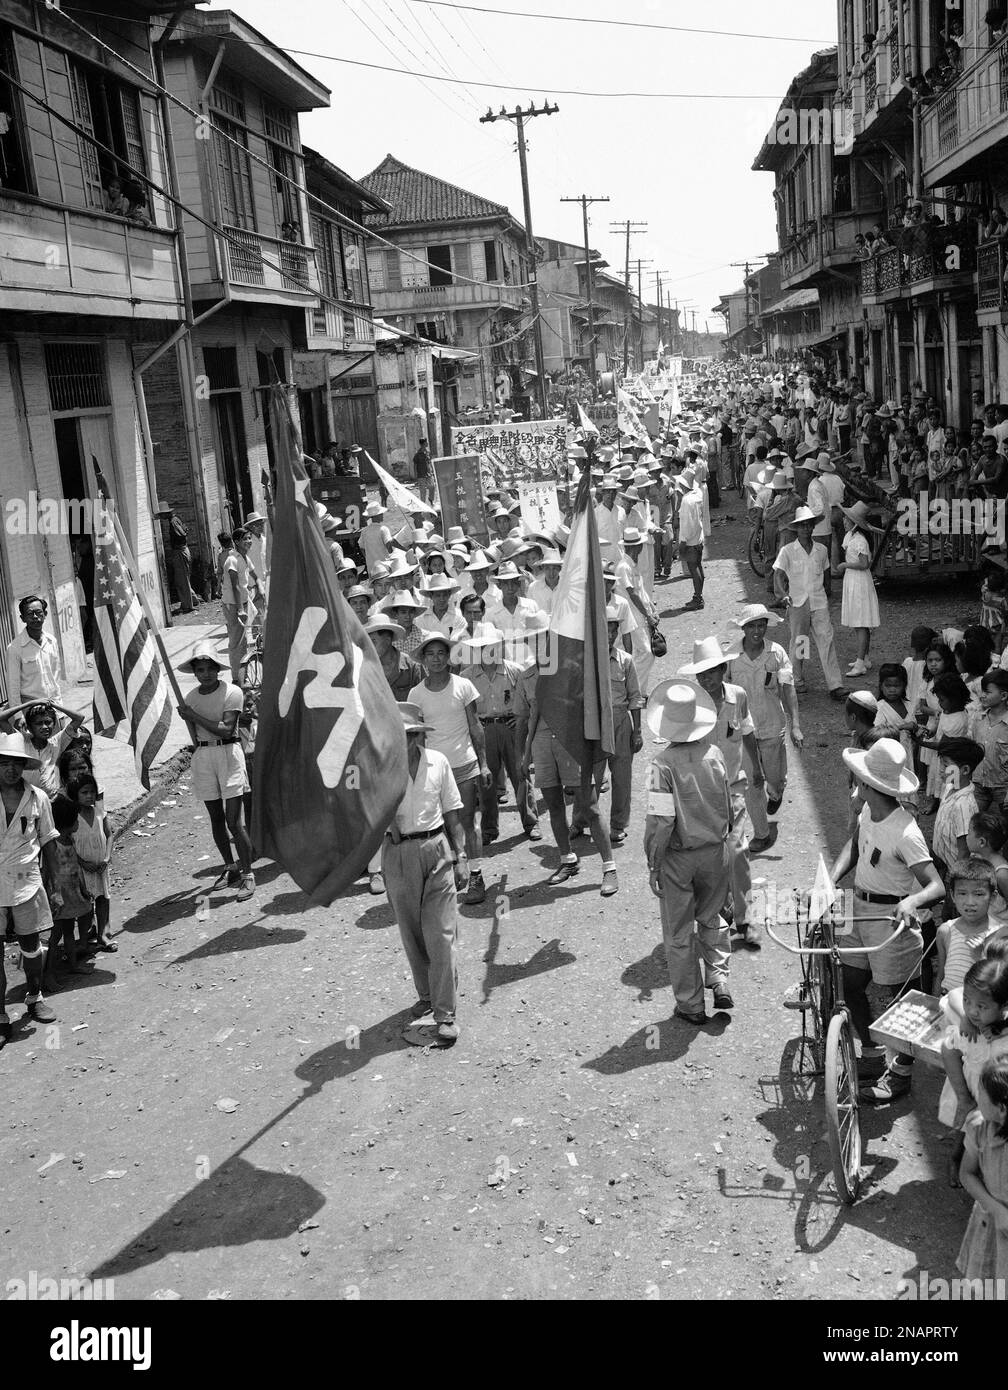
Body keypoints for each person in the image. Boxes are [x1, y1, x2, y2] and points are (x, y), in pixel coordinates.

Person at [831, 738, 945, 1104]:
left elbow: (936, 885)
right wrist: (831, 879)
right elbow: (854, 843)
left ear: (868, 785)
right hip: (860, 909)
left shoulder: (906, 831)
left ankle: (902, 1073)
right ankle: (872, 1054)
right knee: (850, 984)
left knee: (903, 1003)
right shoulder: (867, 812)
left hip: (891, 920)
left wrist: (912, 899)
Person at [644, 682, 733, 1025]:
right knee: (713, 917)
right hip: (715, 850)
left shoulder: (660, 765)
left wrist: (654, 861)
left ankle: (691, 1004)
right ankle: (719, 978)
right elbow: (727, 803)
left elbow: (662, 821)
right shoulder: (715, 755)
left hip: (679, 857)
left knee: (679, 933)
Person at [383, 701, 468, 1045]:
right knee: (411, 931)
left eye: (410, 734)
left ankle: (445, 1013)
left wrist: (461, 856)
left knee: (442, 935)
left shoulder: (439, 763)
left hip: (436, 849)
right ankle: (426, 995)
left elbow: (452, 813)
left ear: (419, 734)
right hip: (398, 852)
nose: (404, 740)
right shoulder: (380, 767)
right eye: (398, 734)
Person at [680, 637, 766, 946]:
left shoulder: (738, 696)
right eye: (701, 674)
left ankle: (745, 919)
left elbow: (746, 731)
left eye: (712, 671)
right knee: (708, 856)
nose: (707, 678)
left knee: (737, 851)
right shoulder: (689, 703)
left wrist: (758, 768)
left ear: (722, 669)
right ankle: (718, 909)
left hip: (733, 786)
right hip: (701, 793)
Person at [409, 634, 491, 906]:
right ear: (423, 659)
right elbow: (417, 736)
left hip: (464, 764)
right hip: (433, 769)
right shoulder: (416, 694)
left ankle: (477, 876)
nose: (435, 658)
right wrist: (417, 771)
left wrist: (484, 763)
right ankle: (453, 871)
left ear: (448, 657)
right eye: (430, 654)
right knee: (440, 825)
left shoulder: (463, 686)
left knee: (468, 821)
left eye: (440, 653)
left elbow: (475, 726)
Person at [175, 642, 255, 901]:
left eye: (210, 668)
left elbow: (226, 729)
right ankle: (230, 867)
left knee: (234, 820)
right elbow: (198, 736)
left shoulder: (232, 693)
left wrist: (192, 716)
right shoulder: (190, 698)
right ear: (195, 672)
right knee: (216, 818)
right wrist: (189, 716)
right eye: (200, 669)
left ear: (217, 670)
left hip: (229, 755)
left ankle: (247, 873)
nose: (205, 673)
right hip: (204, 756)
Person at [0, 732, 63, 1040]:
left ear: (23, 767)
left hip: (27, 879)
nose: (10, 770)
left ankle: (34, 997)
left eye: (16, 764)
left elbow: (49, 843)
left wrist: (56, 887)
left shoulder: (37, 797)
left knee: (32, 949)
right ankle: (0, 1014)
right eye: (4, 764)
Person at [727, 603, 803, 844]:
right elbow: (722, 691)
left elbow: (788, 689)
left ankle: (777, 790)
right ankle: (761, 833)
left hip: (772, 726)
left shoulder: (777, 653)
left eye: (761, 625)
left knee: (774, 776)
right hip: (743, 730)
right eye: (752, 626)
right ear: (743, 628)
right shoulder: (731, 656)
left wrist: (796, 726)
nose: (757, 631)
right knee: (752, 782)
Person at [462, 628, 540, 846]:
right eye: (483, 647)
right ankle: (489, 829)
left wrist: (520, 717)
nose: (488, 651)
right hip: (483, 728)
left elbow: (529, 700)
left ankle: (531, 822)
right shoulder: (467, 677)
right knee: (486, 780)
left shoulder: (515, 670)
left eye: (493, 647)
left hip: (510, 726)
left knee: (520, 774)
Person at [773, 504, 847, 701]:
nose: (806, 529)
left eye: (809, 525)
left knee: (827, 641)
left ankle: (835, 685)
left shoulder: (821, 550)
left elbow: (826, 575)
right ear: (796, 528)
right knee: (800, 642)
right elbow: (778, 575)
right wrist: (782, 594)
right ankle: (797, 679)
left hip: (819, 601)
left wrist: (828, 597)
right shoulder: (788, 551)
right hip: (798, 603)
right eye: (802, 525)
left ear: (813, 527)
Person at [956, 1057, 1008, 1280]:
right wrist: (998, 1210)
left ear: (1002, 1108)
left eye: (981, 1092)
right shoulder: (979, 1127)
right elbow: (966, 1174)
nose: (977, 1096)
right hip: (990, 1220)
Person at [604, 605, 645, 847]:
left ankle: (618, 824)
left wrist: (637, 731)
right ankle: (580, 820)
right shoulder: (588, 660)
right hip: (595, 722)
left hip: (621, 721)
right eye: (605, 630)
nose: (610, 635)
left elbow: (635, 697)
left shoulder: (625, 660)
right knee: (589, 777)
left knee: (621, 777)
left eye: (613, 630)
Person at [46, 794, 94, 978]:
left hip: (72, 892)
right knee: (54, 936)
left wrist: (82, 888)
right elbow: (47, 872)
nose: (78, 822)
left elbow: (75, 867)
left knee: (68, 932)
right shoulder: (52, 844)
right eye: (75, 819)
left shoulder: (69, 840)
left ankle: (73, 965)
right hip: (59, 896)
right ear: (68, 822)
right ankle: (47, 974)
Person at [67, 771, 114, 953]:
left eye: (92, 792)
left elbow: (109, 835)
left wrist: (107, 858)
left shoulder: (100, 812)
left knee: (103, 899)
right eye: (84, 793)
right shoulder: (72, 817)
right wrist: (81, 863)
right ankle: (84, 941)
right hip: (82, 869)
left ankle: (103, 935)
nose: (89, 796)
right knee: (86, 905)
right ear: (75, 795)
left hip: (101, 866)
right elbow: (68, 844)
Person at [837, 501, 881, 677]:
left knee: (861, 623)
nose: (843, 521)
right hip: (853, 580)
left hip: (859, 581)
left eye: (846, 519)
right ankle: (865, 658)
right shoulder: (850, 537)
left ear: (854, 522)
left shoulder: (860, 541)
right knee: (859, 622)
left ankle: (861, 662)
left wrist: (844, 565)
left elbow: (864, 564)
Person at [12, 701, 86, 800]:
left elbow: (79, 718)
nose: (45, 727)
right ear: (29, 727)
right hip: (27, 800)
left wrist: (53, 704)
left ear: (54, 724)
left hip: (52, 800)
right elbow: (2, 718)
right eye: (39, 723)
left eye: (48, 722)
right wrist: (30, 704)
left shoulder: (56, 742)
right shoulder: (22, 740)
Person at [5, 597, 62, 712]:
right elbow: (13, 686)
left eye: (39, 613)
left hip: (53, 706)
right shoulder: (15, 648)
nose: (35, 617)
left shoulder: (51, 641)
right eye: (30, 614)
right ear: (23, 618)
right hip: (30, 709)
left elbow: (55, 677)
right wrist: (18, 715)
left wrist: (60, 707)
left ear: (45, 614)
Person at [220, 527, 254, 683]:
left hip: (243, 602)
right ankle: (236, 678)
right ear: (237, 542)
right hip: (234, 604)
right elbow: (235, 586)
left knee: (244, 641)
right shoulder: (232, 559)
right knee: (236, 642)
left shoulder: (244, 557)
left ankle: (243, 675)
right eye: (245, 539)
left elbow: (252, 575)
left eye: (249, 538)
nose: (249, 541)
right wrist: (240, 609)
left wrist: (260, 587)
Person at [674, 468, 706, 610]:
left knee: (694, 569)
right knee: (698, 567)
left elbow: (686, 524)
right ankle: (698, 597)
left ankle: (698, 598)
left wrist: (682, 543)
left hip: (690, 540)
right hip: (698, 537)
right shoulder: (697, 495)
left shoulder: (687, 500)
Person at [159, 505, 198, 613]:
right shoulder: (175, 519)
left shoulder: (173, 522)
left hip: (180, 551)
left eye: (162, 514)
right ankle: (192, 600)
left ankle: (187, 606)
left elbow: (181, 534)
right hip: (182, 550)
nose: (161, 516)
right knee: (183, 578)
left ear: (166, 513)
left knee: (182, 580)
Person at [360, 502, 393, 577]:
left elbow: (361, 547)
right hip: (384, 565)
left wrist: (368, 557)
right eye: (381, 514)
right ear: (378, 515)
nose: (382, 515)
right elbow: (389, 545)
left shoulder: (365, 531)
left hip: (371, 567)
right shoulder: (383, 529)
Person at [412, 437, 434, 505]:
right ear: (424, 443)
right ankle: (423, 506)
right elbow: (415, 465)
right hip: (421, 475)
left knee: (432, 487)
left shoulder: (428, 453)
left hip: (429, 474)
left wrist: (432, 471)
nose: (427, 443)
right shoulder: (417, 455)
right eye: (426, 442)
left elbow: (430, 462)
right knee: (423, 491)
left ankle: (431, 499)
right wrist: (415, 475)